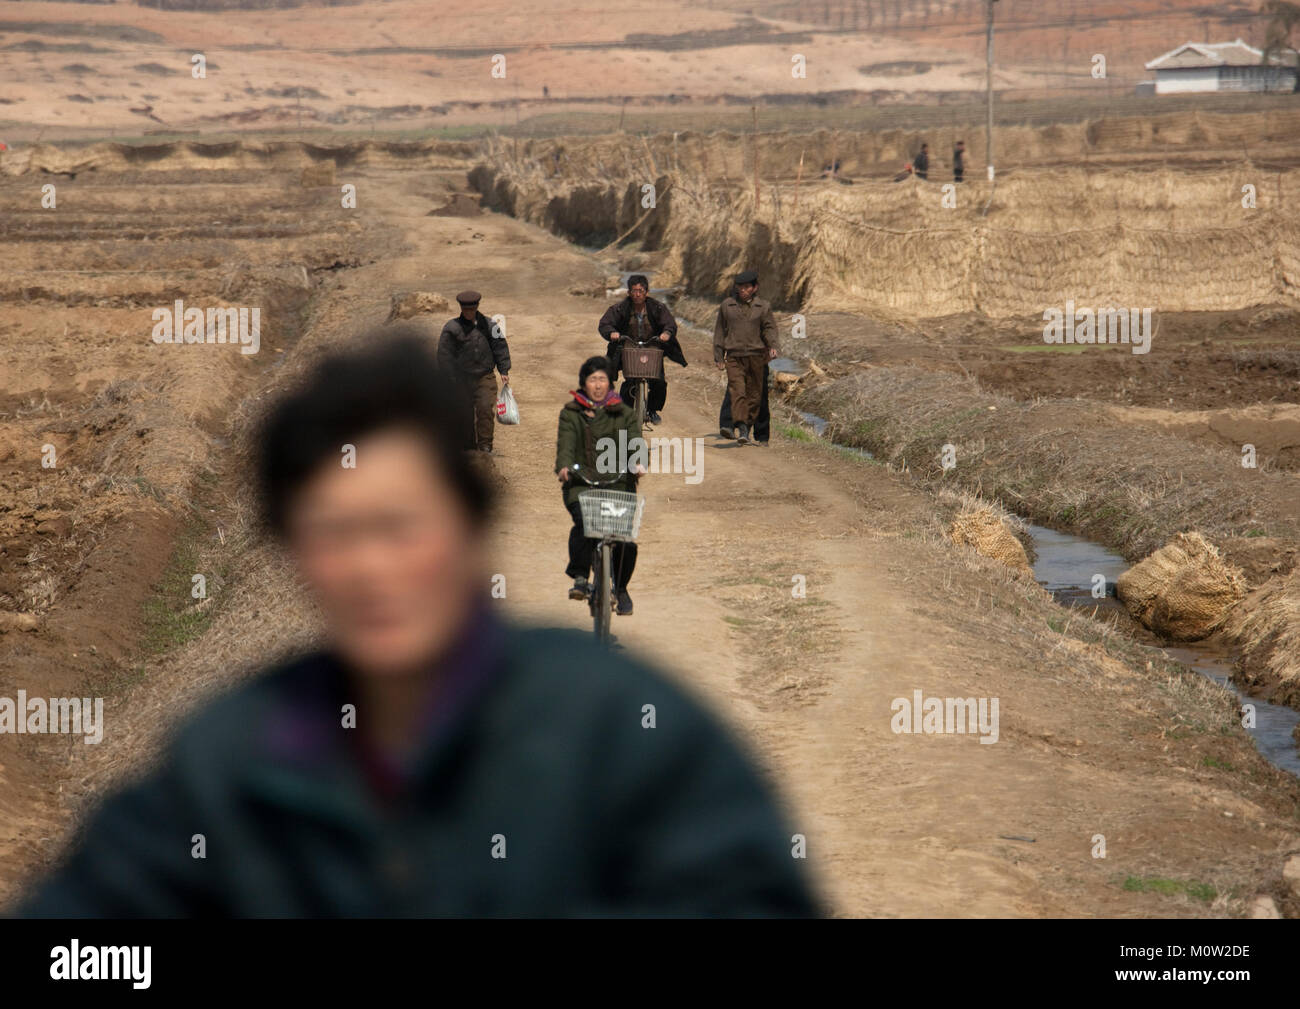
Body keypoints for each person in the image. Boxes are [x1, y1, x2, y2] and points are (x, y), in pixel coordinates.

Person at [17, 332, 819, 917]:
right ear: (291, 552)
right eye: (334, 533)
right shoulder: (229, 765)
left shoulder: (630, 736)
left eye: (401, 526)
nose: (372, 568)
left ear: (470, 526)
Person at [556, 356, 644, 615]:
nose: (597, 385)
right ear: (583, 383)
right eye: (592, 379)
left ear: (611, 384)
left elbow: (635, 441)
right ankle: (581, 577)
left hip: (618, 484)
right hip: (581, 484)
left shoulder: (625, 414)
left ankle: (621, 588)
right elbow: (566, 444)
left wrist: (638, 462)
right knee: (584, 522)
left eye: (602, 379)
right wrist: (564, 466)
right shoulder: (571, 413)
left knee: (625, 543)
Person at [597, 274, 686, 426]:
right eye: (634, 291)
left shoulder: (657, 308)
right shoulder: (619, 308)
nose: (637, 294)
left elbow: (670, 324)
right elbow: (605, 324)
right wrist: (612, 333)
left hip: (652, 348)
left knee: (658, 381)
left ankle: (652, 410)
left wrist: (666, 333)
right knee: (630, 381)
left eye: (641, 290)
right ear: (629, 293)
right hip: (629, 348)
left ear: (646, 292)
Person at [437, 290, 510, 453]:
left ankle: (485, 444)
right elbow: (444, 354)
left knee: (485, 409)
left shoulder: (490, 325)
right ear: (461, 309)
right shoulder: (452, 328)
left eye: (472, 309)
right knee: (464, 412)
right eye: (466, 310)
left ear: (477, 307)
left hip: (485, 376)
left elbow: (500, 347)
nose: (469, 313)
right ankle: (467, 445)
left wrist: (504, 369)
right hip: (460, 377)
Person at [713, 269, 778, 445]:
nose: (742, 290)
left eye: (747, 287)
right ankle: (742, 427)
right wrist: (719, 356)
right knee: (737, 391)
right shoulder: (727, 306)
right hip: (734, 357)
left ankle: (751, 430)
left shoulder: (763, 307)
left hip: (757, 357)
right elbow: (719, 331)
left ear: (755, 288)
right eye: (740, 286)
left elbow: (769, 329)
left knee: (756, 396)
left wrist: (773, 346)